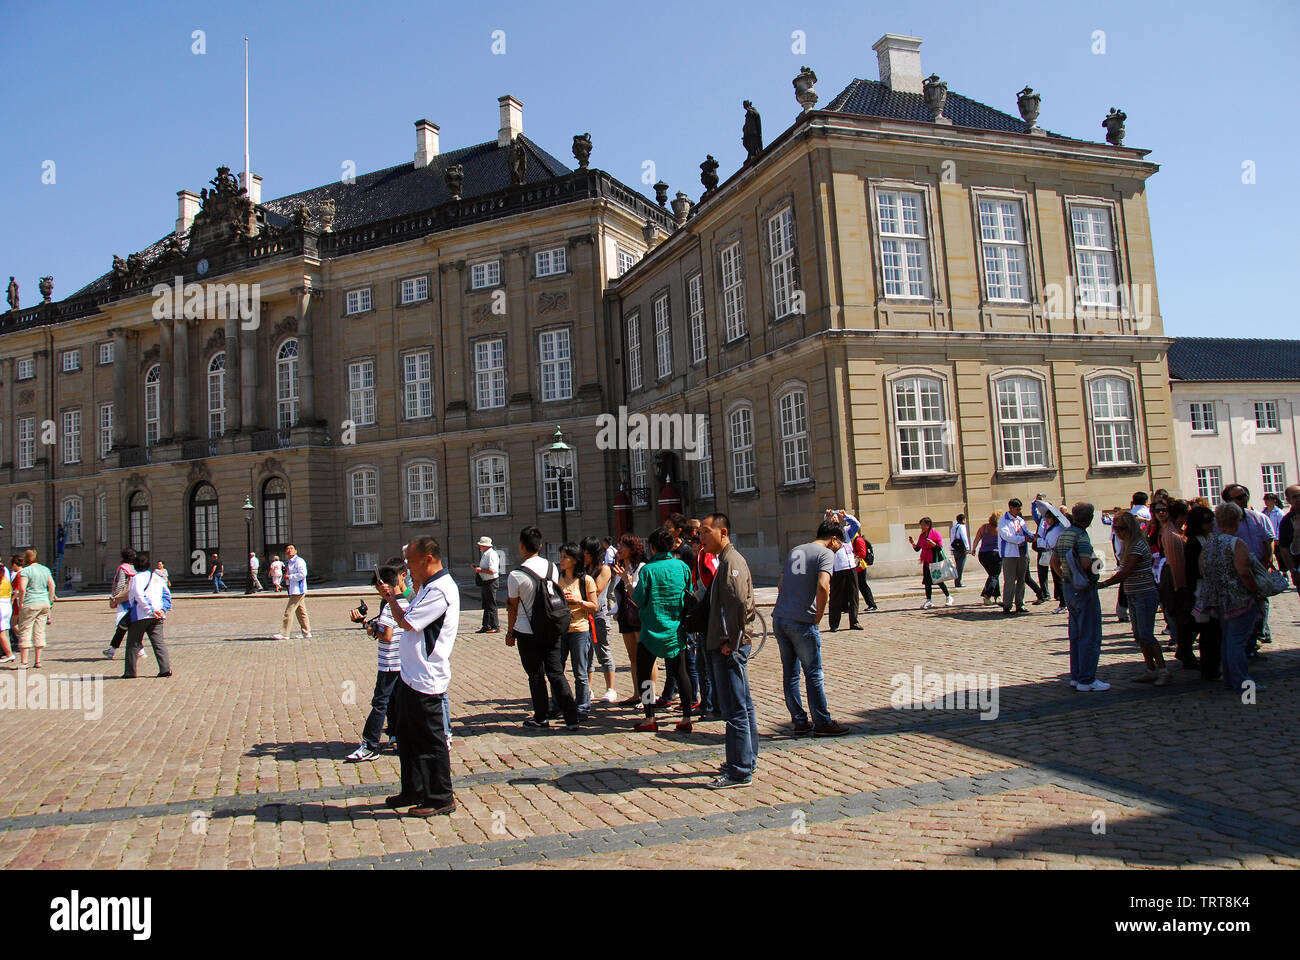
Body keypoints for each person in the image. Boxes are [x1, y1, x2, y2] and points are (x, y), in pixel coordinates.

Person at [381, 536, 459, 817]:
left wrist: (391, 598)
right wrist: (394, 598)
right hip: (410, 674)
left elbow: (406, 622)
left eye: (411, 564)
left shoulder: (440, 589)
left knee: (430, 739)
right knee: (407, 734)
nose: (408, 570)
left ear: (427, 560)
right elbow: (408, 614)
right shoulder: (427, 587)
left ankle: (440, 796)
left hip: (427, 676)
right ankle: (413, 788)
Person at [772, 519, 851, 736]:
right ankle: (822, 721)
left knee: (790, 673)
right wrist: (818, 615)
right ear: (833, 539)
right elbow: (824, 585)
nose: (840, 547)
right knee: (813, 673)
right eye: (840, 543)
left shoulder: (796, 549)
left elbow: (780, 585)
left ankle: (799, 720)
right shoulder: (826, 554)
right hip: (802, 620)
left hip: (780, 617)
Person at [700, 512, 758, 789]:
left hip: (727, 647)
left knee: (734, 709)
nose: (701, 537)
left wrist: (729, 642)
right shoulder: (723, 560)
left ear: (723, 533)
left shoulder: (731, 561)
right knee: (743, 706)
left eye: (706, 531)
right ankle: (746, 758)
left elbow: (737, 604)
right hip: (726, 643)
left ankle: (739, 770)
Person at [507, 526, 580, 730]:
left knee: (536, 675)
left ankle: (541, 717)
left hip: (527, 630)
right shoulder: (552, 567)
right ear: (540, 546)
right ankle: (572, 717)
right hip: (551, 626)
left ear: (522, 547)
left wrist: (510, 632)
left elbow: (512, 607)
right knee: (556, 673)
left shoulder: (515, 575)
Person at [630, 526, 695, 733]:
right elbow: (689, 594)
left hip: (650, 630)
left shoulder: (648, 570)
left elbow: (639, 598)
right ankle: (686, 717)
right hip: (676, 630)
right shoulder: (682, 567)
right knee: (681, 673)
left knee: (645, 674)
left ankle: (650, 717)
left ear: (652, 547)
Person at [1199, 503, 1264, 697]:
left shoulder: (1210, 543)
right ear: (1236, 520)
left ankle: (1230, 678)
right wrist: (1256, 591)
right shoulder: (1236, 543)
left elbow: (1203, 569)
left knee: (1228, 640)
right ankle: (1242, 682)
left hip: (1219, 599)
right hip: (1239, 599)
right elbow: (1244, 572)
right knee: (1237, 641)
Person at [1100, 511, 1170, 685]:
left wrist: (1104, 584)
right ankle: (1150, 669)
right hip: (1133, 593)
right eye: (1115, 528)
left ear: (1129, 528)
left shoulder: (1137, 545)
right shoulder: (1127, 544)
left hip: (1144, 594)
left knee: (1147, 635)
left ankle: (1163, 670)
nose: (1117, 531)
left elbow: (1126, 571)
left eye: (1120, 528)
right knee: (1139, 635)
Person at [346, 563, 407, 761]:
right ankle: (398, 738)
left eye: (380, 587)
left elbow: (386, 635)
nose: (379, 592)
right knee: (396, 704)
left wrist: (368, 626)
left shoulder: (390, 606)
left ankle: (370, 744)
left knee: (380, 703)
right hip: (403, 662)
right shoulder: (407, 602)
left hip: (389, 662)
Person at [1051, 503, 1109, 691]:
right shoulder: (1081, 536)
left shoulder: (1064, 534)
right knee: (1090, 634)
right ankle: (1087, 679)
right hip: (1083, 589)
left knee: (1075, 634)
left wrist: (1066, 577)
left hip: (1068, 587)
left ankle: (1076, 676)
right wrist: (1098, 563)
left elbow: (1053, 562)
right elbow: (1086, 563)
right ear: (1089, 518)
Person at [1221, 484, 1275, 657]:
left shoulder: (1258, 517)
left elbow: (1268, 540)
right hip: (1236, 572)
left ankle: (1254, 641)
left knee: (1261, 606)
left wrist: (1269, 562)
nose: (1244, 499)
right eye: (1239, 497)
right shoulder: (1221, 524)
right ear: (1228, 501)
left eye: (1245, 495)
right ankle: (1244, 646)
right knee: (1243, 610)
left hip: (1258, 568)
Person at [557, 542, 599, 719]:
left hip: (580, 630)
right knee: (556, 670)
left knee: (580, 672)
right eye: (561, 556)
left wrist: (578, 601)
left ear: (574, 560)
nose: (561, 560)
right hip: (560, 629)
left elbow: (594, 606)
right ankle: (558, 704)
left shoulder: (586, 580)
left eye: (565, 557)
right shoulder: (556, 578)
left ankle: (582, 707)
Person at [611, 533, 650, 707]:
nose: (619, 549)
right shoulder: (620, 568)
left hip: (639, 616)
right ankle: (637, 693)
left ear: (632, 549)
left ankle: (650, 696)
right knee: (632, 656)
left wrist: (627, 580)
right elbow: (616, 593)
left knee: (646, 658)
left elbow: (639, 593)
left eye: (622, 546)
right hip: (625, 616)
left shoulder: (641, 567)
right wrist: (616, 609)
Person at [1183, 505, 1221, 681]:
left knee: (1213, 632)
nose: (1211, 523)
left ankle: (1212, 666)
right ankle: (1209, 669)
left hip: (1210, 591)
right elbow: (1192, 571)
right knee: (1208, 633)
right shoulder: (1194, 542)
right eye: (1207, 521)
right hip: (1201, 593)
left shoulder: (1209, 538)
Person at [122, 551, 173, 678]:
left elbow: (139, 597)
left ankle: (130, 672)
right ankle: (165, 669)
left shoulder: (135, 579)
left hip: (141, 615)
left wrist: (150, 610)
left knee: (133, 643)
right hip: (158, 616)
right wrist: (162, 610)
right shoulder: (157, 578)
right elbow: (167, 595)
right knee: (159, 643)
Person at [1159, 500, 1197, 669]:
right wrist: (1181, 588)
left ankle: (1184, 650)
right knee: (1184, 619)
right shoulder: (1172, 535)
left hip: (1176, 578)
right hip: (1176, 580)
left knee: (1188, 619)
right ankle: (1185, 653)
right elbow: (1177, 564)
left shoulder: (1176, 531)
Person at [581, 537, 619, 703]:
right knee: (585, 654)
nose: (583, 555)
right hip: (582, 617)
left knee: (602, 651)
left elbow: (596, 589)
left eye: (586, 552)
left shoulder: (604, 569)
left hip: (598, 617)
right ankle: (587, 689)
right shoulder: (582, 569)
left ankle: (610, 688)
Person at [15, 549, 56, 668]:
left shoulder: (25, 571)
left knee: (25, 630)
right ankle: (38, 661)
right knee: (39, 631)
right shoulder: (45, 569)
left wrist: (21, 602)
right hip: (44, 603)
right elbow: (52, 585)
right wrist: (50, 600)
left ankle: (24, 661)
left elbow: (22, 589)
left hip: (30, 602)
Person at [826, 508, 862, 631]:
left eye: (836, 517)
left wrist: (846, 516)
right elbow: (823, 529)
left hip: (850, 566)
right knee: (836, 597)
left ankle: (854, 621)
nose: (835, 518)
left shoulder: (846, 531)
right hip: (837, 568)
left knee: (853, 595)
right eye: (833, 517)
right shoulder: (828, 533)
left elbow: (856, 525)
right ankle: (834, 624)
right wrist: (827, 518)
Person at [998, 499, 1035, 614]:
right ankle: (1007, 605)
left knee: (1021, 579)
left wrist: (1031, 536)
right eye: (1017, 509)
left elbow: (1025, 532)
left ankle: (1020, 604)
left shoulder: (1020, 520)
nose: (1019, 511)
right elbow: (1007, 536)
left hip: (1022, 552)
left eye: (1020, 509)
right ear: (1011, 508)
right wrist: (1023, 539)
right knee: (1009, 580)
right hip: (1010, 553)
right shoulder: (1003, 520)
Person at [909, 517, 952, 608]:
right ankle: (929, 600)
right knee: (927, 582)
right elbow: (918, 549)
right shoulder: (922, 535)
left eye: (923, 525)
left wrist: (932, 543)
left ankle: (948, 597)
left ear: (928, 525)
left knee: (939, 580)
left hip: (935, 560)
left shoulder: (935, 534)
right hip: (926, 561)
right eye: (921, 526)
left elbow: (939, 548)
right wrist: (913, 543)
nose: (922, 527)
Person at [103, 548, 138, 660]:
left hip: (124, 601)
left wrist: (115, 598)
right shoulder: (134, 568)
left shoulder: (123, 568)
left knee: (122, 626)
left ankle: (113, 650)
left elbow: (120, 584)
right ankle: (139, 650)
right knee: (131, 626)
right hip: (134, 599)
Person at [273, 544, 311, 640]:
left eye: (291, 549)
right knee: (301, 612)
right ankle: (306, 632)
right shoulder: (288, 563)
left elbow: (303, 574)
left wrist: (290, 577)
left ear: (295, 551)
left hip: (298, 590)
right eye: (288, 549)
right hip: (292, 589)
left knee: (289, 611)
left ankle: (284, 633)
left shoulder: (299, 561)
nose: (289, 550)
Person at [471, 536, 500, 633]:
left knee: (491, 604)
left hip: (491, 581)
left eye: (481, 545)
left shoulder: (491, 554)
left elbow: (493, 570)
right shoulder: (485, 554)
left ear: (485, 545)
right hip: (485, 581)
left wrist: (480, 570)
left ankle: (495, 626)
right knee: (486, 604)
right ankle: (486, 625)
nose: (479, 546)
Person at [1275, 484, 1300, 598]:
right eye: (1295, 497)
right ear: (1288, 500)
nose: (1299, 499)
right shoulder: (1286, 521)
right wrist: (1293, 571)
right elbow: (1284, 549)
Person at [973, 512, 1002, 605]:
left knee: (992, 575)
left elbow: (976, 539)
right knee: (994, 575)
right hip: (995, 554)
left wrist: (973, 549)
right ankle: (987, 596)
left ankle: (997, 596)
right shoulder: (1000, 529)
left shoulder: (984, 527)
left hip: (983, 554)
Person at [851, 530, 878, 611]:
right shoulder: (853, 540)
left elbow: (863, 553)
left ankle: (872, 604)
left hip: (860, 567)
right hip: (856, 566)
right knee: (857, 586)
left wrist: (852, 555)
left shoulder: (858, 540)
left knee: (863, 586)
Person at [949, 514, 971, 588]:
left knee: (958, 565)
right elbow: (964, 537)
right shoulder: (962, 527)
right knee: (960, 566)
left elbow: (952, 538)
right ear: (963, 520)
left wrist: (951, 548)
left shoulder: (953, 527)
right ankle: (958, 582)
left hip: (955, 548)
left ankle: (957, 581)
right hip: (961, 548)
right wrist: (967, 547)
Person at [0, 556, 14, 663]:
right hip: (7, 604)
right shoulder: (5, 578)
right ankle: (7, 652)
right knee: (4, 631)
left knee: (1, 632)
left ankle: (9, 653)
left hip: (1, 605)